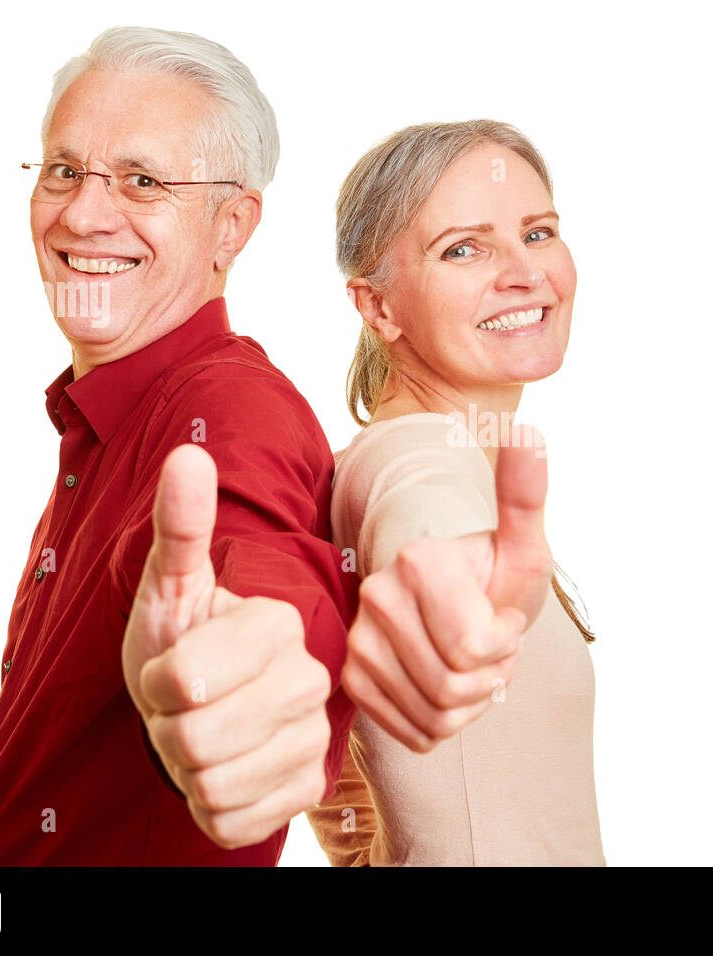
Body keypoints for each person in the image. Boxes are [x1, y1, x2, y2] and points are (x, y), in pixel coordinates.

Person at [0, 29, 545, 866]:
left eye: (142, 181)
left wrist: (256, 677)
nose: (83, 212)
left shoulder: (231, 413)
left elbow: (256, 574)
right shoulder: (102, 422)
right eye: (64, 170)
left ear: (231, 226)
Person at [307, 120, 605, 866]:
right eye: (462, 249)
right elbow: (426, 527)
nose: (523, 273)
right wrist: (442, 597)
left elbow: (345, 800)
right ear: (379, 308)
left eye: (538, 233)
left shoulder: (425, 456)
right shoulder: (414, 457)